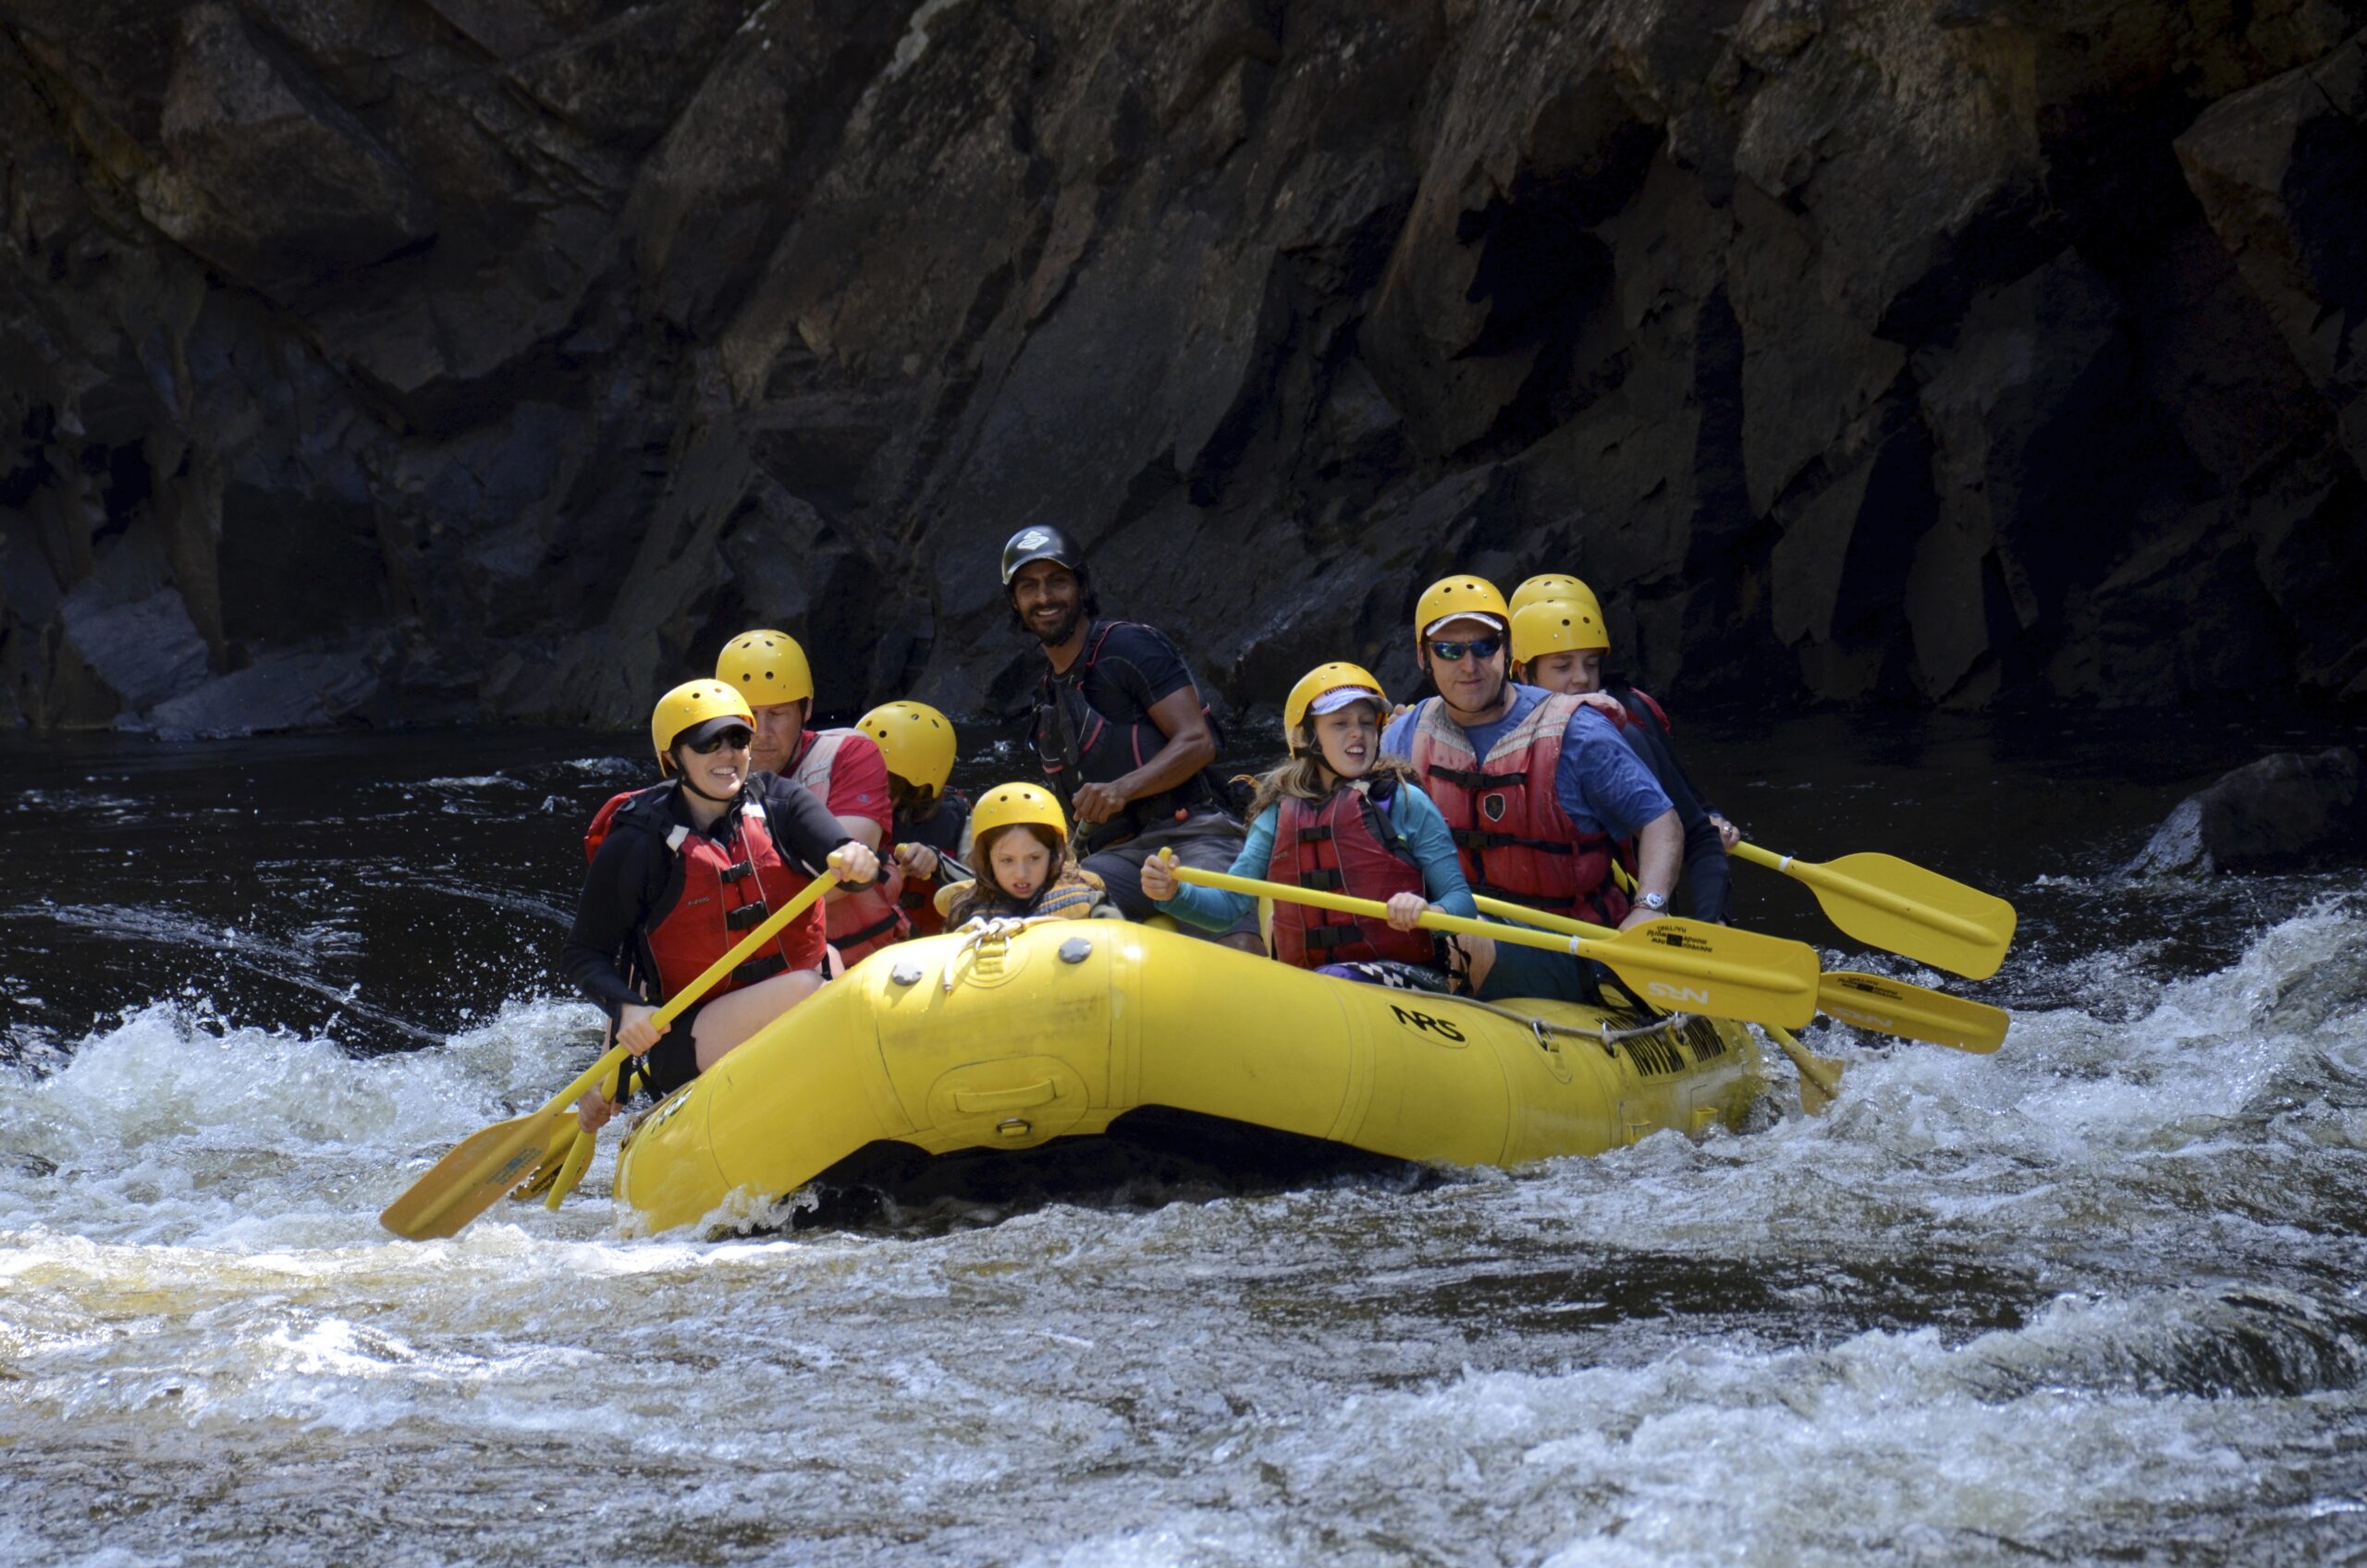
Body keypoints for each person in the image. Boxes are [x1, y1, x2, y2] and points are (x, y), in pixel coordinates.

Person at [567, 680, 880, 1129]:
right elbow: (584, 953)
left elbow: (840, 850)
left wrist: (853, 858)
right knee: (807, 991)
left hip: (799, 999)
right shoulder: (637, 842)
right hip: (692, 1032)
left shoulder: (780, 802)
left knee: (823, 978)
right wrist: (626, 1009)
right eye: (707, 742)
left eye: (737, 739)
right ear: (674, 758)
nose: (727, 754)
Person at [1380, 575, 1684, 1004]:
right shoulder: (1401, 738)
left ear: (1507, 650)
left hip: (1571, 946)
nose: (1469, 665)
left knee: (1461, 939)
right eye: (1449, 650)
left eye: (1484, 646)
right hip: (1453, 925)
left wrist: (1650, 906)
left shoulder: (1578, 733)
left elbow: (1660, 821)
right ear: (1423, 657)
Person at [1141, 662, 1488, 993]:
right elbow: (1229, 907)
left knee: (1334, 978)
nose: (1358, 733)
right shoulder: (1277, 814)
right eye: (1340, 723)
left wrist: (1428, 912)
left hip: (1406, 977)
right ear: (1308, 736)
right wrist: (1174, 893)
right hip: (1312, 984)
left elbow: (1461, 903)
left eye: (1367, 722)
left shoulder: (1405, 803)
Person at [1000, 525, 1259, 950]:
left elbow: (1198, 742)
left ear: (1081, 587)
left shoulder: (1128, 647)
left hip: (1193, 836)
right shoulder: (1046, 696)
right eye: (1030, 587)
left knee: (1234, 947)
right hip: (1117, 858)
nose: (1045, 598)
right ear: (1015, 601)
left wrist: (1122, 789)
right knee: (1040, 919)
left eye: (1057, 581)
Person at [1509, 582, 1739, 924]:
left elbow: (1695, 831)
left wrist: (1713, 925)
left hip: (1625, 921)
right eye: (1562, 666)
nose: (1581, 679)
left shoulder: (1624, 730)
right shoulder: (1482, 734)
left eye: (1590, 664)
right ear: (1521, 671)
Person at [716, 630, 906, 967]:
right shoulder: (706, 770)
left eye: (777, 714)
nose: (761, 734)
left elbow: (843, 878)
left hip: (857, 961)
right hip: (763, 972)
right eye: (748, 717)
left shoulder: (851, 754)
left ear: (806, 710)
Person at [856, 699, 973, 937]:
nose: (862, 785)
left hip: (932, 949)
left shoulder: (958, 819)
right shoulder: (838, 803)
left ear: (913, 787)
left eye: (879, 778)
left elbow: (986, 891)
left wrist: (937, 863)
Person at [934, 782, 1122, 928]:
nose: (1021, 874)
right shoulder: (966, 913)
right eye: (1007, 860)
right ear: (986, 859)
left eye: (1034, 858)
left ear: (1054, 854)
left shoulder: (1087, 901)